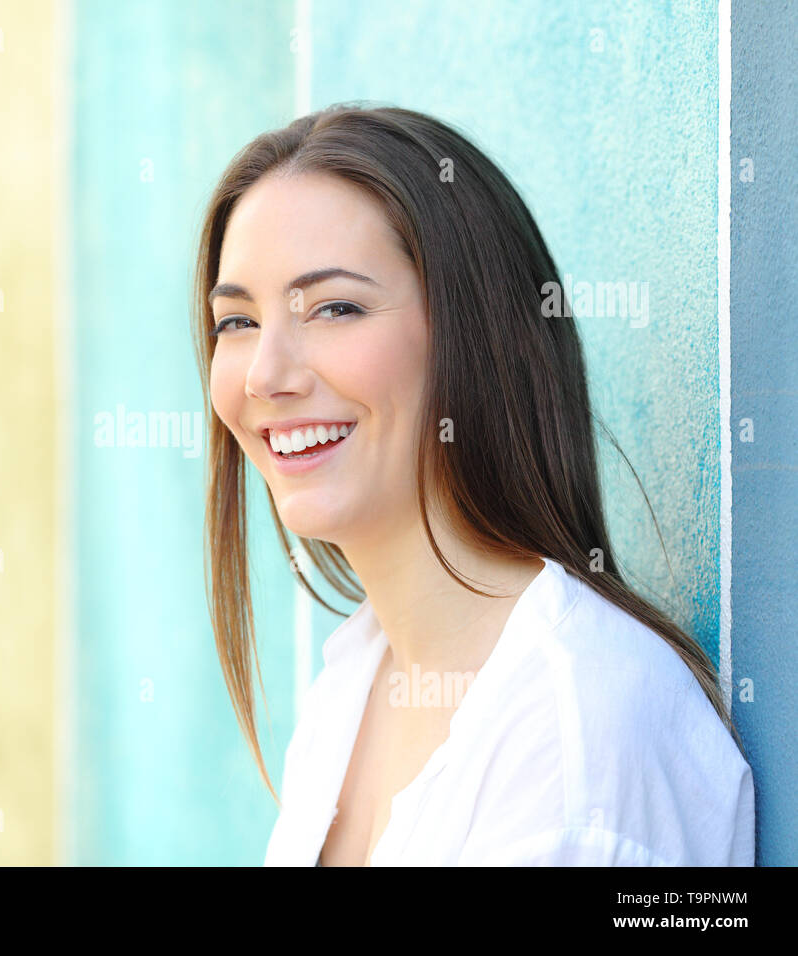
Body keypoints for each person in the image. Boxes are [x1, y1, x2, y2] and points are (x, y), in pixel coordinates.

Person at [191, 104, 754, 866]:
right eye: (237, 322)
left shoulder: (572, 729)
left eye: (336, 308)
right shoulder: (355, 679)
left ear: (474, 333)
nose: (266, 375)